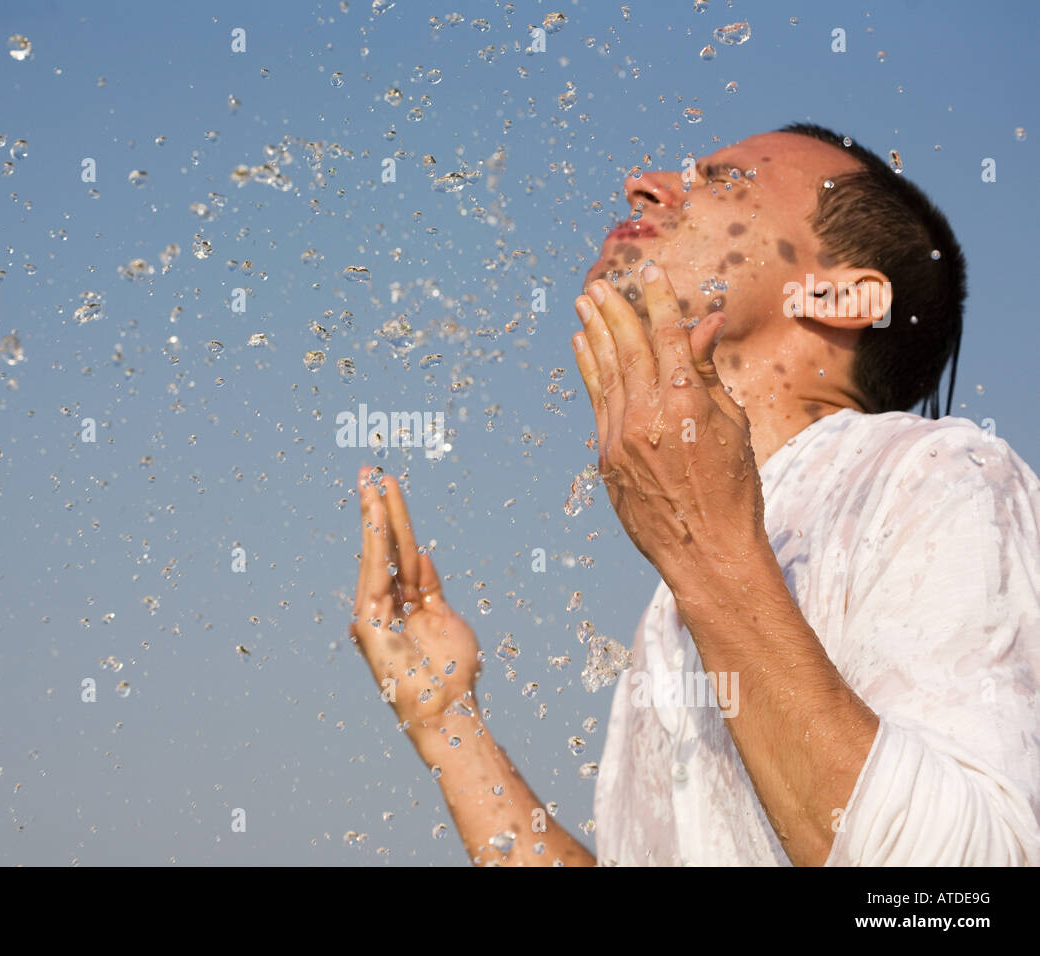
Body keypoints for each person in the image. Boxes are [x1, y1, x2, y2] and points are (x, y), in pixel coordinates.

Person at [348, 123, 1040, 866]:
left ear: (839, 294)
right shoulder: (674, 613)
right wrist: (450, 727)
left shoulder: (937, 475)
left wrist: (704, 548)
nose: (645, 185)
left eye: (724, 181)